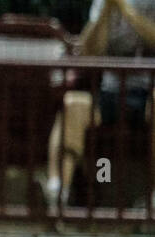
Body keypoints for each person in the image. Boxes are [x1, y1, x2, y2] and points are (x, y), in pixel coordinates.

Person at [41, 0, 155, 212]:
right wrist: (106, 12)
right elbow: (89, 51)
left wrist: (126, 11)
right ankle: (57, 194)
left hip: (148, 91)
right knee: (72, 105)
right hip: (110, 90)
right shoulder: (103, 3)